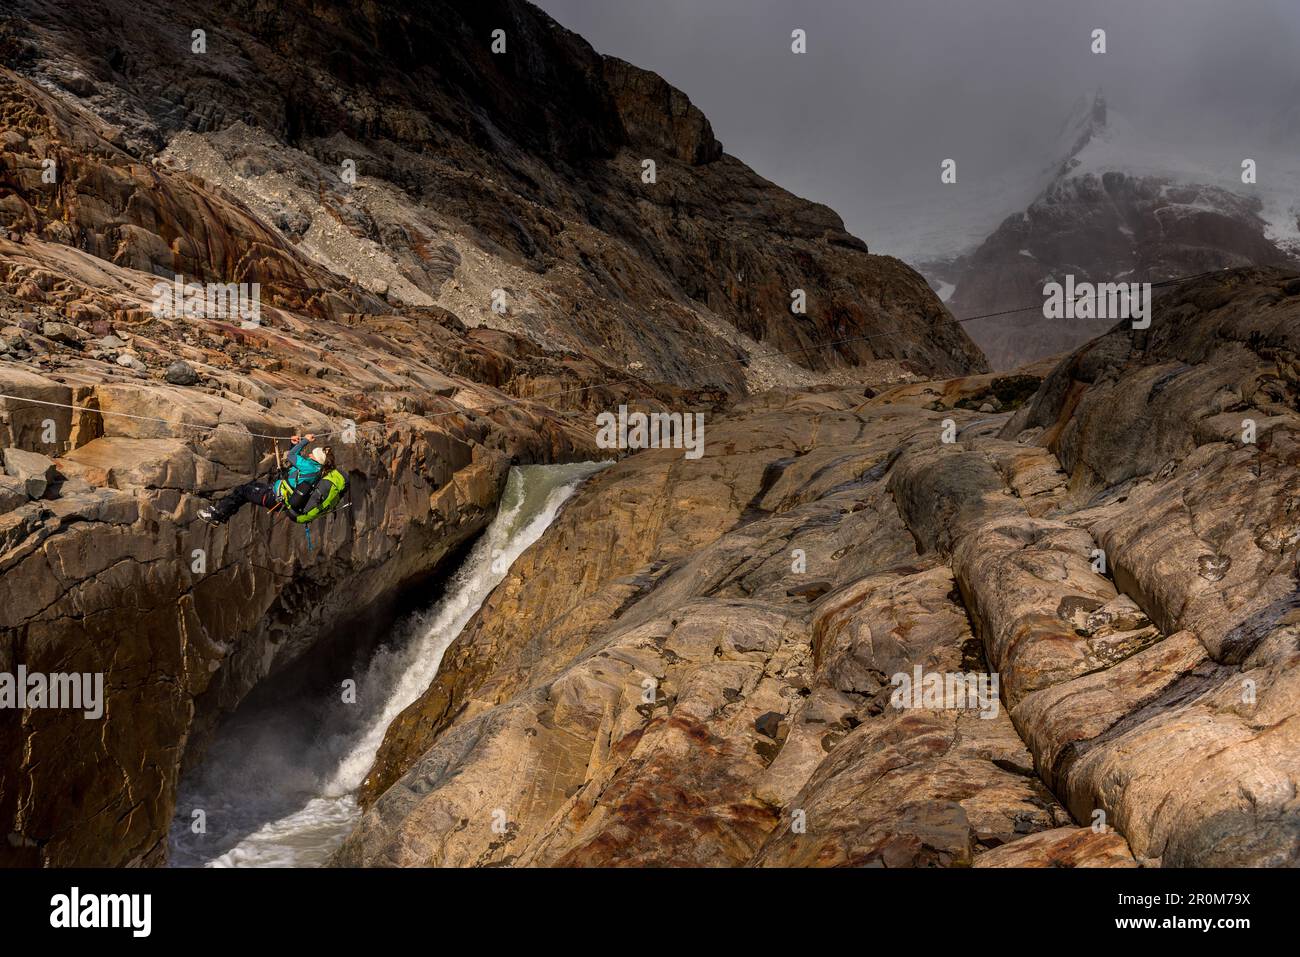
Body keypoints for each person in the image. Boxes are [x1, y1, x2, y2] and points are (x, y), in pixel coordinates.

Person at [199, 433, 332, 525]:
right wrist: (293, 444)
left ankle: (216, 516)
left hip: (274, 497)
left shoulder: (309, 467)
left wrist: (305, 441)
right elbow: (294, 463)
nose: (310, 454)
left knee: (242, 491)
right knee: (246, 490)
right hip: (277, 494)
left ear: (317, 459)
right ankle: (222, 514)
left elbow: (292, 456)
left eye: (313, 454)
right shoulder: (316, 469)